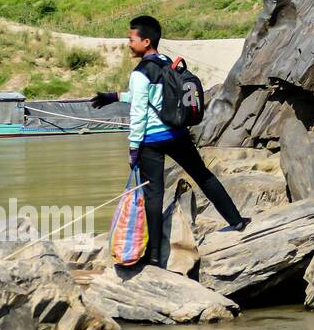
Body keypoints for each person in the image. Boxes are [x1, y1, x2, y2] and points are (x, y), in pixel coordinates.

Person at [91, 16, 247, 268]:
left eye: (131, 39)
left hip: (151, 141)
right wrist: (114, 96)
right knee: (203, 176)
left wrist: (133, 148)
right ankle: (236, 219)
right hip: (177, 134)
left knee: (154, 195)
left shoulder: (140, 72)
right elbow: (152, 94)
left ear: (145, 41)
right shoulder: (166, 63)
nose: (129, 44)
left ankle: (153, 257)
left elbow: (139, 112)